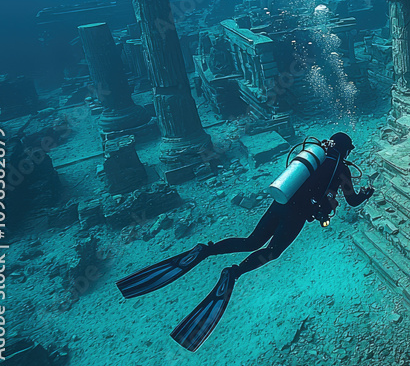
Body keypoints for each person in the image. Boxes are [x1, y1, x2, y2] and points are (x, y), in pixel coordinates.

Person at [116, 132, 374, 351]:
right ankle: (234, 272)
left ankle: (206, 250)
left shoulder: (313, 155)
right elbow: (351, 200)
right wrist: (366, 193)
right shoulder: (341, 169)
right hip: (297, 213)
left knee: (251, 241)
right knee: (272, 251)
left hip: (280, 202)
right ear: (346, 149)